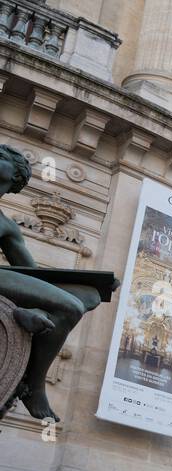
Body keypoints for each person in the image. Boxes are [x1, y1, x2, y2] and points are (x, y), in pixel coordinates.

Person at [0, 144, 117, 421]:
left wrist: (97, 283)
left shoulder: (6, 226)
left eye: (2, 157)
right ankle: (34, 385)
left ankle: (31, 315)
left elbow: (32, 275)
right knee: (69, 307)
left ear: (15, 176)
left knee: (86, 296)